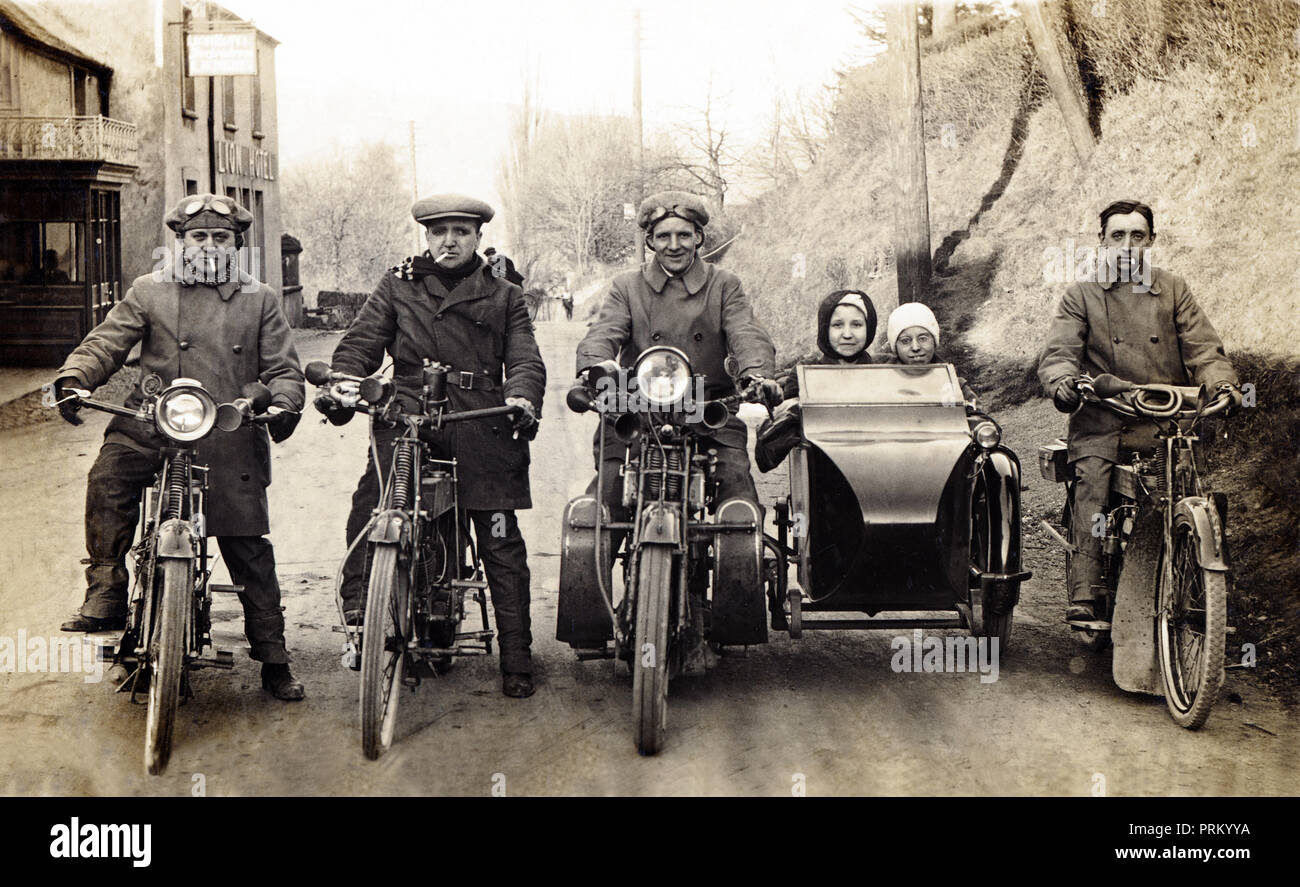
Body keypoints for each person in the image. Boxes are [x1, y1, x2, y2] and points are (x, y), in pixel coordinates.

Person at [52, 193, 306, 700]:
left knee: (245, 540)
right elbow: (108, 340)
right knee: (108, 477)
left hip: (229, 427)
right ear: (181, 243)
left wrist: (279, 401)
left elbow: (284, 369)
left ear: (235, 244)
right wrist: (76, 375)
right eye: (198, 237)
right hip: (154, 423)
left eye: (219, 238)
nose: (208, 246)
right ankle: (106, 588)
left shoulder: (259, 299)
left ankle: (273, 656)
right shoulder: (150, 291)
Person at [318, 194, 546, 699]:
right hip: (406, 416)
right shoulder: (398, 285)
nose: (450, 240)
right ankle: (362, 620)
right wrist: (344, 380)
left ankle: (517, 657)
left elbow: (526, 359)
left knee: (499, 538)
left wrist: (522, 398)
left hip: (481, 420)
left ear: (478, 239)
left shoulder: (505, 294)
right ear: (426, 237)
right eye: (439, 231)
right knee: (372, 506)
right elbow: (361, 342)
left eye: (461, 232)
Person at [1037, 199, 1241, 622]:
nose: (1127, 246)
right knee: (1092, 485)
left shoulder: (1173, 290)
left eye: (1137, 236)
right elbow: (1060, 351)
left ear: (1151, 241)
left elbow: (1204, 347)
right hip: (1102, 418)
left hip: (1164, 418)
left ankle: (1201, 587)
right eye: (1117, 236)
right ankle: (1086, 591)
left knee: (1189, 491)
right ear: (1102, 242)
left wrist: (1223, 383)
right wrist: (1064, 384)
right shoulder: (1082, 296)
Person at [576, 190, 778, 526]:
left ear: (699, 237)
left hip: (709, 409)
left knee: (737, 496)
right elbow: (605, 330)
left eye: (684, 235)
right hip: (637, 410)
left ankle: (741, 569)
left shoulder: (724, 285)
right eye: (663, 236)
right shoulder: (627, 287)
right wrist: (594, 370)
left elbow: (746, 331)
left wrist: (755, 375)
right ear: (650, 241)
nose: (674, 245)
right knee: (605, 502)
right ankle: (589, 572)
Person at [879, 301, 978, 406]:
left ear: (934, 341)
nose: (915, 347)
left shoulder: (953, 386)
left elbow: (979, 417)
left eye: (923, 339)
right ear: (895, 347)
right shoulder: (881, 383)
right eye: (905, 341)